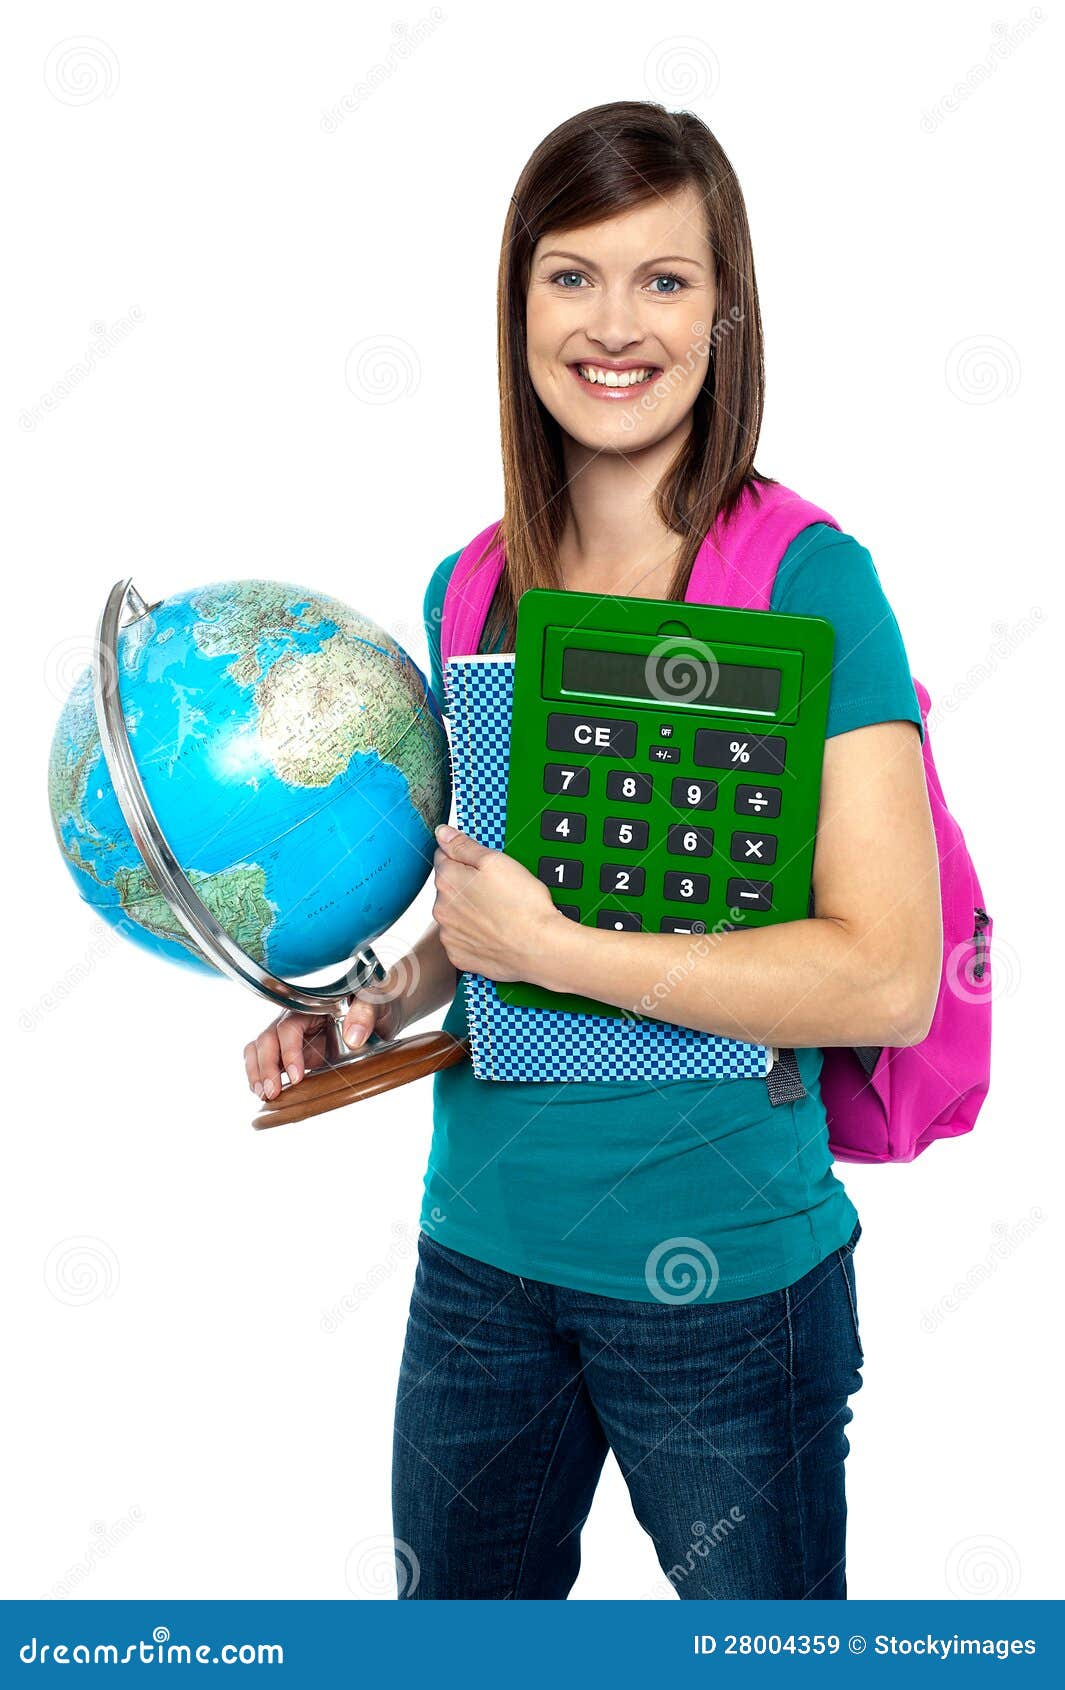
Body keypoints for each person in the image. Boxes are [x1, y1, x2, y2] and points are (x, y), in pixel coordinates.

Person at [243, 101, 941, 1600]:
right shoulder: (468, 584)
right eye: (570, 276)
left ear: (723, 312)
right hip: (480, 1267)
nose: (613, 324)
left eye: (663, 279)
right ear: (516, 304)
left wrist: (558, 955)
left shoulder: (809, 579)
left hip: (728, 1285)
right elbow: (491, 915)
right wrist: (376, 1000)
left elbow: (885, 973)